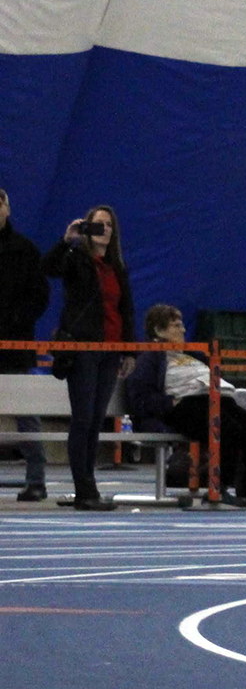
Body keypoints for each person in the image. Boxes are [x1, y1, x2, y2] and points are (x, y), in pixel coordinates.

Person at [126, 304, 246, 508]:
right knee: (227, 429)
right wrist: (170, 402)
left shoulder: (193, 355)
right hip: (184, 405)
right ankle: (219, 488)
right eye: (176, 325)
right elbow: (139, 398)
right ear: (158, 331)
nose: (183, 330)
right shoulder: (149, 358)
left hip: (217, 398)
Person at [43, 205, 135, 511]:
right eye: (97, 225)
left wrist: (129, 350)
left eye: (109, 225)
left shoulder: (117, 267)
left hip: (110, 351)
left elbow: (126, 310)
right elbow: (48, 268)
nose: (104, 230)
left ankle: (89, 486)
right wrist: (66, 239)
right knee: (82, 419)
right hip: (83, 349)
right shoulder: (76, 260)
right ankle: (84, 490)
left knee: (96, 420)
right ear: (86, 229)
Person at [0, 188, 51, 502]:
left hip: (15, 345)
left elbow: (40, 296)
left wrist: (17, 321)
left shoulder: (25, 249)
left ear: (7, 206)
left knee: (26, 414)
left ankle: (36, 480)